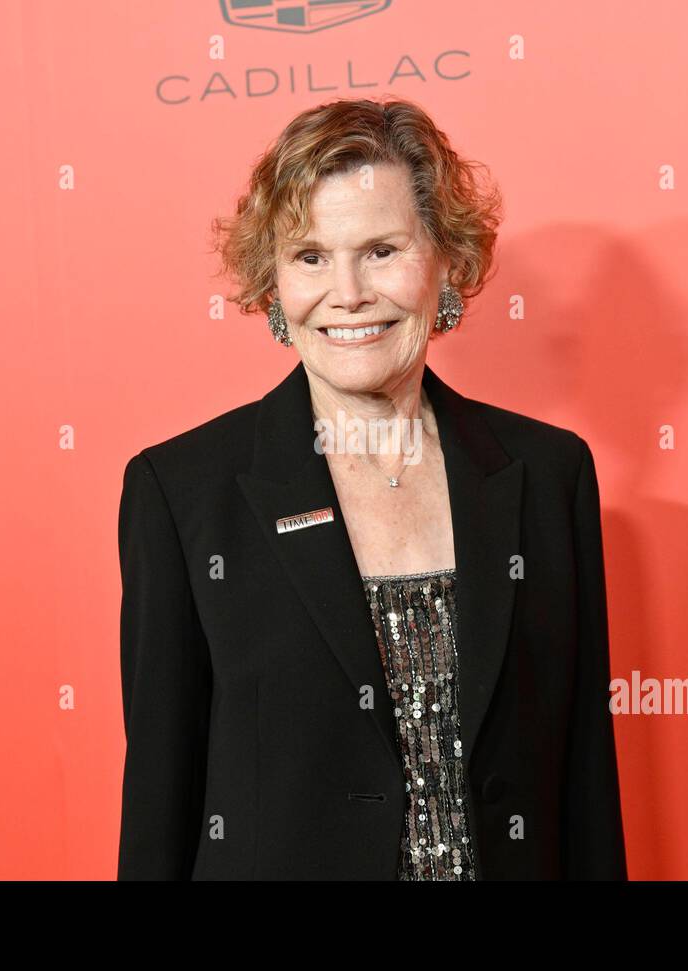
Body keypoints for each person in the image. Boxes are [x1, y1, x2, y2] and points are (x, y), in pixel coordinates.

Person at [117, 96, 626, 880]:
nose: (347, 292)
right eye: (311, 256)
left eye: (382, 250)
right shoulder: (184, 494)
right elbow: (160, 803)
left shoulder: (549, 477)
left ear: (446, 261)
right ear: (273, 280)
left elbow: (584, 785)